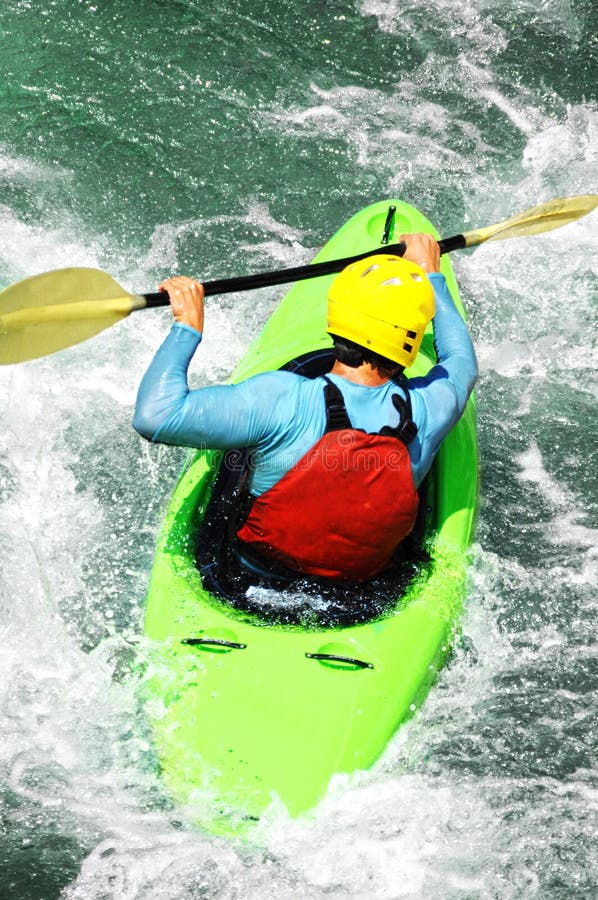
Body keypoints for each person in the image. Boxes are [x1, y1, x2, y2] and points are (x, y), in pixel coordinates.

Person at [134, 233, 477, 595]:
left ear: (337, 317)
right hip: (358, 595)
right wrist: (431, 276)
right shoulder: (428, 409)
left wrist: (187, 326)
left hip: (252, 584)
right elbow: (461, 362)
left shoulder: (280, 398)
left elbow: (155, 416)